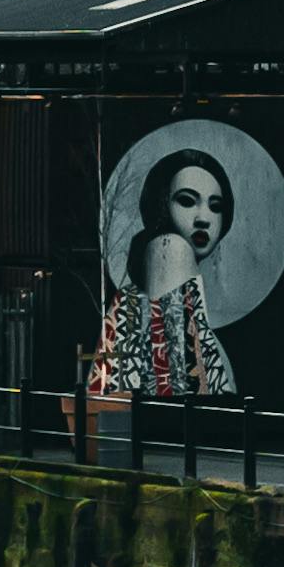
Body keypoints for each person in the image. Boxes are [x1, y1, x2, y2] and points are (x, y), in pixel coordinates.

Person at [85, 145, 242, 402]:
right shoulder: (169, 249)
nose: (204, 218)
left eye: (215, 206)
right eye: (187, 201)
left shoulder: (142, 284)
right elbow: (182, 377)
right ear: (162, 204)